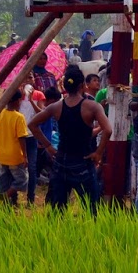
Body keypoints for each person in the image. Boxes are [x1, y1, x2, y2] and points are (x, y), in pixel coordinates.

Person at [31, 66, 111, 215]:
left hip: (61, 161)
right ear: (82, 86)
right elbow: (108, 129)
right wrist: (98, 153)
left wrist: (48, 146)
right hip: (84, 161)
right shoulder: (92, 106)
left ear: (65, 86)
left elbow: (32, 124)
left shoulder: (56, 106)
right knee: (92, 210)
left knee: (57, 211)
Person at [0, 103, 31, 207]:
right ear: (18, 100)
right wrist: (25, 156)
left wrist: (2, 141)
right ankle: (6, 195)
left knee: (3, 178)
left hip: (2, 154)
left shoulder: (1, 113)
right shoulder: (19, 117)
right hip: (15, 156)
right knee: (22, 179)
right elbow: (21, 137)